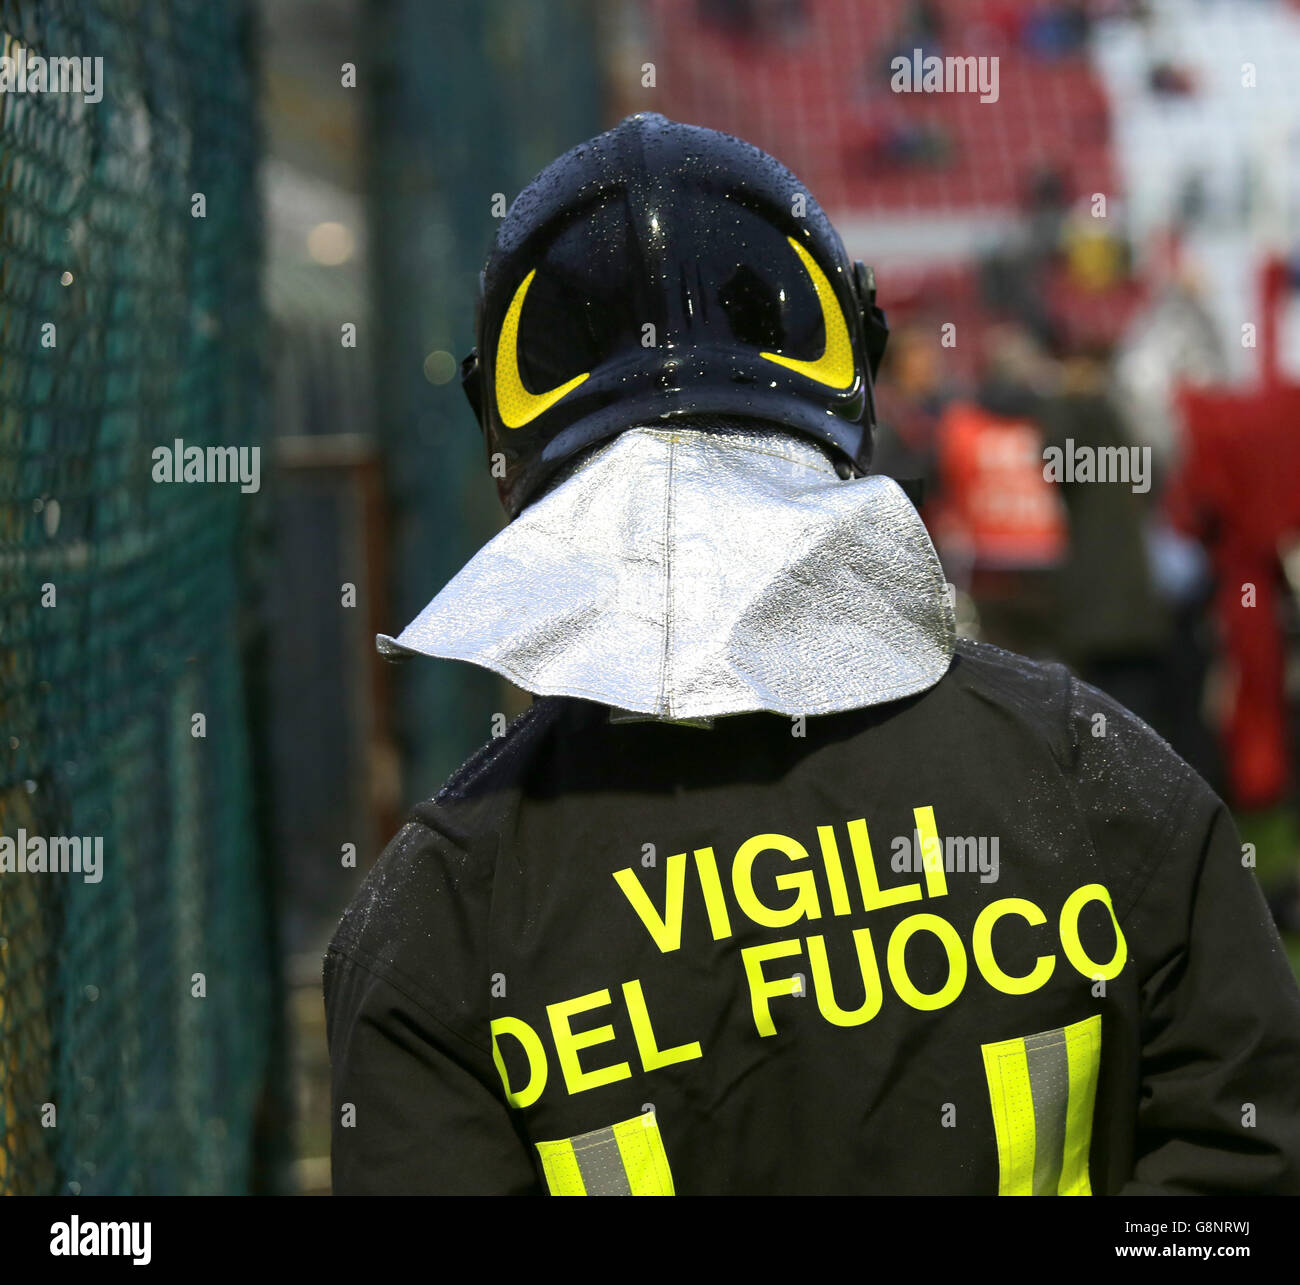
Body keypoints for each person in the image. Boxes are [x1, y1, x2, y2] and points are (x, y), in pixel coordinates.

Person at [324, 113, 1300, 1196]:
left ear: (499, 425)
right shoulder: (1092, 773)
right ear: (853, 372)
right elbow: (1246, 1156)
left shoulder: (439, 916)